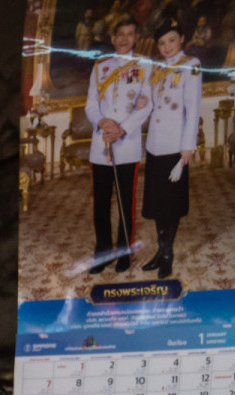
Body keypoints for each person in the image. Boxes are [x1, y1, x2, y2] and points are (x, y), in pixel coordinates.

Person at [84, 18, 151, 274]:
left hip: (127, 143)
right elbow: (91, 102)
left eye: (129, 34)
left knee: (126, 201)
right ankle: (102, 252)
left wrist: (121, 129)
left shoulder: (144, 66)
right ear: (112, 38)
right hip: (102, 142)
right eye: (120, 34)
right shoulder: (100, 67)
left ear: (135, 38)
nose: (124, 39)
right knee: (101, 202)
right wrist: (102, 121)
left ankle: (124, 251)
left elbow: (147, 106)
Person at [140, 22, 200, 279]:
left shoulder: (191, 64)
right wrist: (143, 101)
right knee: (157, 202)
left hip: (176, 146)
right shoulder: (156, 68)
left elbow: (193, 108)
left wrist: (187, 147)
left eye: (171, 40)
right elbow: (153, 103)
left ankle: (167, 254)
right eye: (162, 42)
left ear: (182, 39)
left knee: (171, 204)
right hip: (155, 145)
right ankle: (160, 250)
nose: (166, 47)